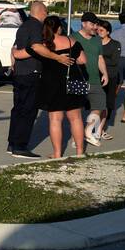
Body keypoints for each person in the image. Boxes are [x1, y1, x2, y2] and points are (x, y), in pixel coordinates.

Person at [33, 15, 88, 157]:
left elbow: (32, 51)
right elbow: (82, 60)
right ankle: (80, 151)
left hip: (51, 84)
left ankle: (57, 153)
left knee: (55, 120)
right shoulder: (72, 41)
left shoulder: (44, 45)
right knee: (76, 118)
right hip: (72, 82)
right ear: (59, 28)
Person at [6, 0, 48, 159]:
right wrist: (54, 56)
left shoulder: (23, 26)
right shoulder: (36, 26)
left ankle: (12, 143)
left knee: (18, 109)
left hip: (20, 73)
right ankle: (20, 146)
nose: (47, 14)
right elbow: (36, 47)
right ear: (41, 11)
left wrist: (15, 59)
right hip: (31, 72)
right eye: (46, 11)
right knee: (28, 110)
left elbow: (14, 48)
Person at [75, 12, 109, 145]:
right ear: (83, 23)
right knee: (76, 111)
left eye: (96, 24)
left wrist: (105, 73)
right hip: (78, 80)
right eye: (92, 24)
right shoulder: (73, 37)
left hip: (95, 79)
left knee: (99, 105)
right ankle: (77, 139)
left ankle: (87, 132)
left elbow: (100, 58)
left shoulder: (97, 40)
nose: (95, 27)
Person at [96, 19, 121, 139]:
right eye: (97, 30)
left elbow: (114, 61)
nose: (98, 32)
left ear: (108, 32)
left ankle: (101, 129)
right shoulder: (94, 42)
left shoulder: (115, 44)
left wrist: (99, 59)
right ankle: (93, 129)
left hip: (110, 76)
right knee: (95, 104)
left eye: (101, 30)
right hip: (95, 76)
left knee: (107, 104)